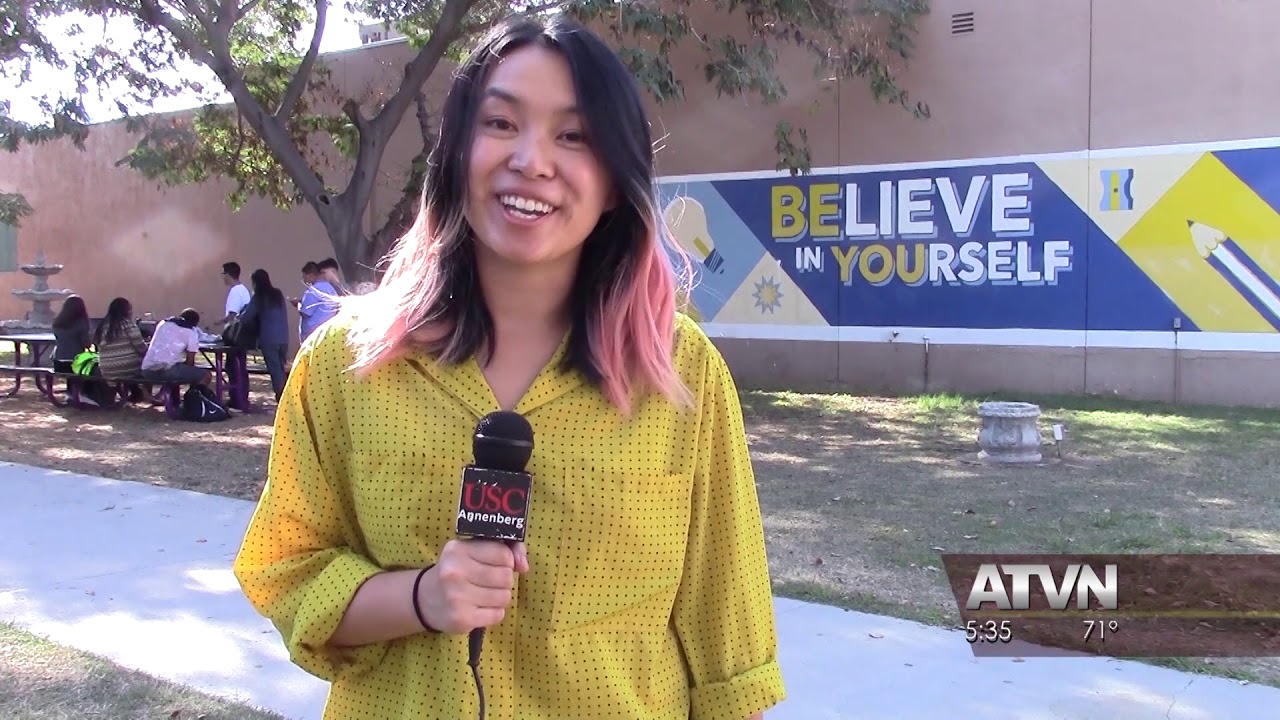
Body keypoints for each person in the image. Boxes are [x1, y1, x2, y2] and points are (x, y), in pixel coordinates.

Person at [233, 16, 784, 720]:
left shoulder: (681, 373)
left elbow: (729, 648)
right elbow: (289, 571)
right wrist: (424, 597)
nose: (532, 159)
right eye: (500, 123)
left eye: (573, 136)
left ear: (615, 180)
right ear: (457, 152)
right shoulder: (345, 365)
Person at [240, 268, 290, 400]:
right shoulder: (277, 295)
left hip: (269, 338)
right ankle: (286, 393)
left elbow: (246, 317)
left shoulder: (259, 297)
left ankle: (282, 397)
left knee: (275, 370)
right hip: (283, 337)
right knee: (280, 367)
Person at [140, 309, 212, 387]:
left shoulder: (163, 323)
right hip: (165, 371)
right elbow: (190, 362)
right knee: (206, 375)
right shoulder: (191, 332)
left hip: (146, 370)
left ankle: (162, 395)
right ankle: (195, 396)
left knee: (175, 368)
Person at [296, 260, 339, 343]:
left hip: (314, 335)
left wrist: (298, 305)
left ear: (310, 275)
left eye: (304, 276)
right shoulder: (330, 288)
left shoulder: (313, 290)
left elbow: (306, 313)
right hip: (329, 332)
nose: (303, 280)